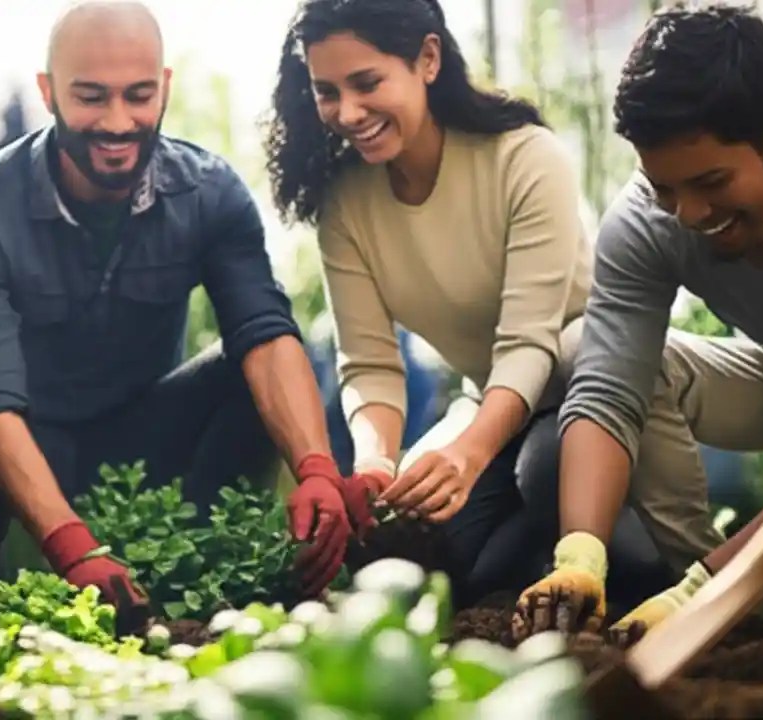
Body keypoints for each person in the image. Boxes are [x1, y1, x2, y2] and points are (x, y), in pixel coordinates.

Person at [0, 0, 370, 618]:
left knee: (260, 362)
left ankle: (201, 583)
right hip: (7, 438)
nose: (117, 120)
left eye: (137, 95)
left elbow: (264, 331)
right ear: (49, 92)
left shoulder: (209, 193)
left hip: (136, 432)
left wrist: (317, 469)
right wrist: (71, 545)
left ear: (163, 88)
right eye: (91, 97)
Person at [265, 0, 668, 607]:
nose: (347, 112)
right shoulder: (346, 202)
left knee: (545, 467)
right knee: (420, 542)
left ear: (427, 59)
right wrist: (376, 466)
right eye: (327, 91)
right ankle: (529, 570)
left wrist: (469, 452)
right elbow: (370, 365)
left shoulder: (523, 157)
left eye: (367, 82)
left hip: (596, 392)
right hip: (496, 407)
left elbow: (530, 344)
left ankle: (653, 569)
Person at [513, 4, 763, 643]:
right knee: (590, 351)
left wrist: (715, 589)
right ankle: (701, 588)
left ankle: (720, 590)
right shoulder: (650, 220)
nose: (688, 213)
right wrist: (580, 555)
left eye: (710, 181)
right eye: (665, 187)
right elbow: (608, 389)